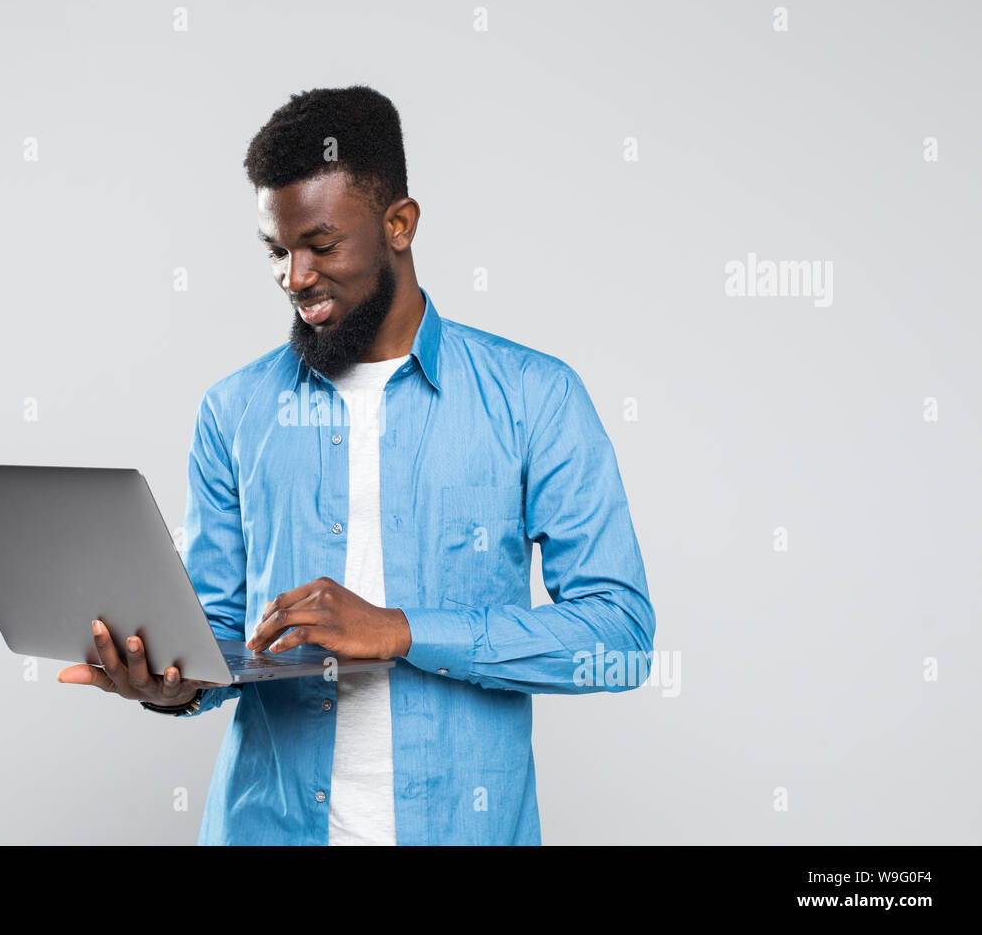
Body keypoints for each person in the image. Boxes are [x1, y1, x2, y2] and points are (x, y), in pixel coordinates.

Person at [59, 84, 656, 845]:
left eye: (321, 245)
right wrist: (165, 684)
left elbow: (620, 637)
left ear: (399, 225)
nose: (294, 277)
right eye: (278, 251)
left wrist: (401, 630)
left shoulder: (534, 398)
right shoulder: (234, 410)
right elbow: (215, 633)